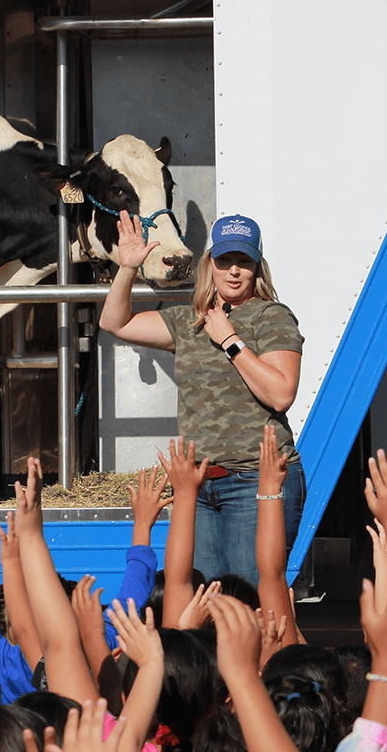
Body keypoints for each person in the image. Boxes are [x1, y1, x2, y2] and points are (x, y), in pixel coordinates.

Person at [99, 213, 304, 583]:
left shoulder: (271, 316)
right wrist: (128, 269)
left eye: (244, 261)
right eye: (225, 260)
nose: (234, 271)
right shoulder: (188, 321)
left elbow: (281, 394)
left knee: (250, 606)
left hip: (254, 479)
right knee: (206, 609)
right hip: (199, 485)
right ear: (211, 263)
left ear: (258, 266)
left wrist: (230, 341)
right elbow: (115, 323)